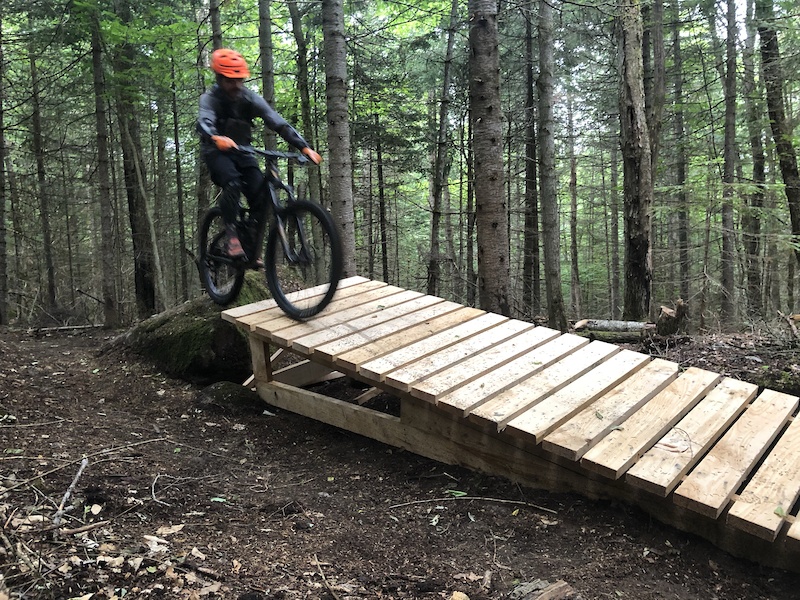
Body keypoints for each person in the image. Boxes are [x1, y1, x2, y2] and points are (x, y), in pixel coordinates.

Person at [197, 48, 322, 258]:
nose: (236, 85)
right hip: (216, 152)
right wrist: (215, 136)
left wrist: (304, 146)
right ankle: (231, 234)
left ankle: (250, 242)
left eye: (239, 80)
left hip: (244, 152)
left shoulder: (249, 98)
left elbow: (276, 122)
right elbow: (204, 121)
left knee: (262, 196)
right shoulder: (210, 99)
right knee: (233, 183)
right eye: (230, 80)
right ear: (219, 79)